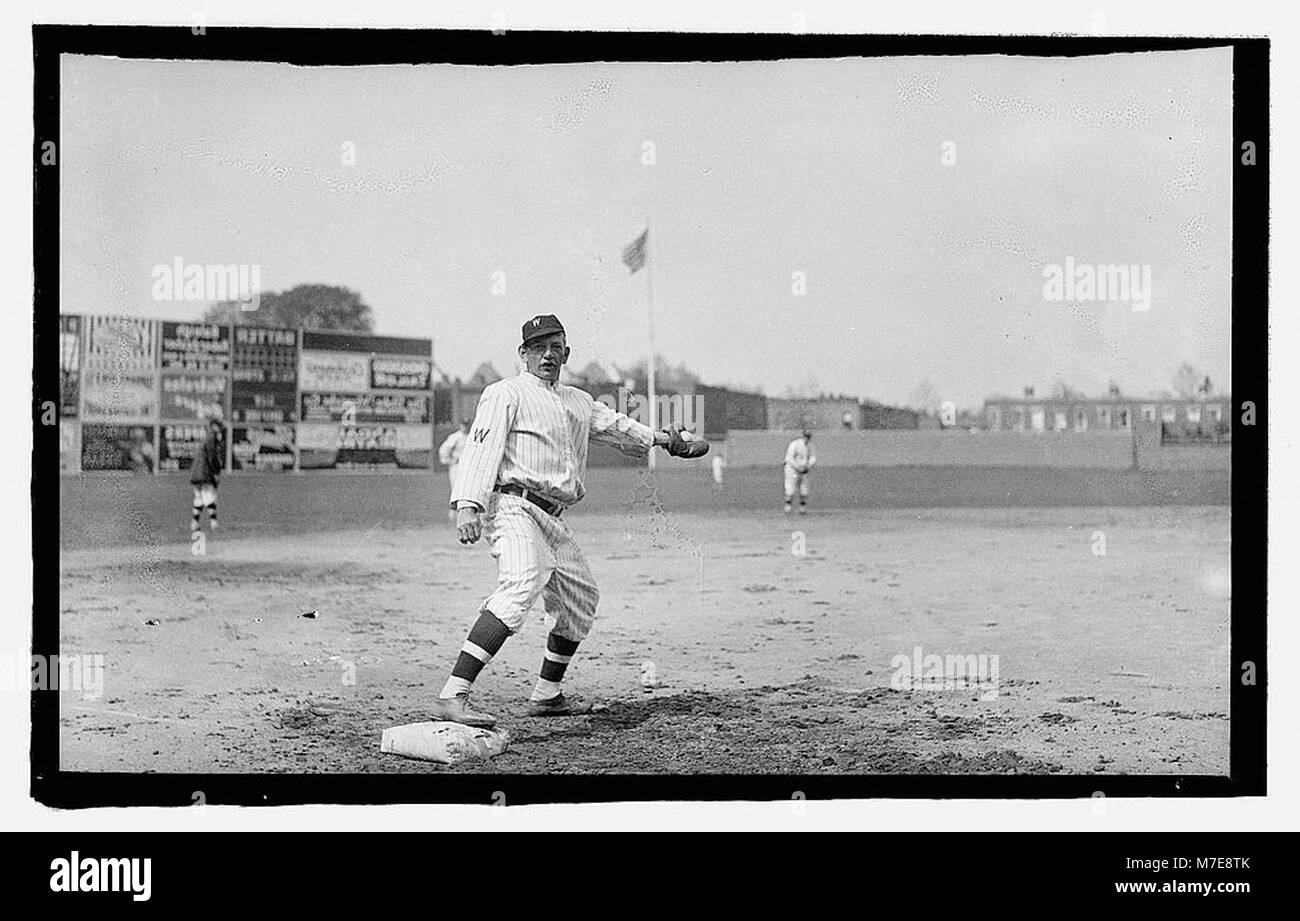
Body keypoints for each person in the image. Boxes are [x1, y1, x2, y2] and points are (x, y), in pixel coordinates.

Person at [430, 314, 708, 727]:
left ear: (566, 353)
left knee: (580, 601)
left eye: (555, 346)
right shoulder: (505, 393)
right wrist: (468, 503)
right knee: (523, 580)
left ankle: (547, 694)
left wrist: (667, 440)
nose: (547, 353)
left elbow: (619, 427)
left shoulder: (578, 401)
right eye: (538, 346)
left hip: (554, 518)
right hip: (514, 506)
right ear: (523, 354)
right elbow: (481, 445)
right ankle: (454, 694)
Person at [190, 418, 224, 532]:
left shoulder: (206, 438)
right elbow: (212, 457)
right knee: (209, 497)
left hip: (195, 474)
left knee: (199, 499)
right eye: (218, 426)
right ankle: (214, 524)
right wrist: (215, 472)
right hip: (205, 473)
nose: (220, 429)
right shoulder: (211, 438)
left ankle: (195, 523)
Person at [437, 419, 472, 522]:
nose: (465, 427)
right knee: (456, 489)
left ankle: (465, 513)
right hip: (457, 466)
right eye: (463, 425)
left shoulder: (471, 436)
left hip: (468, 466)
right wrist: (449, 460)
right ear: (460, 425)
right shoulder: (455, 437)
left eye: (467, 425)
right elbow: (443, 450)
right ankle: (452, 513)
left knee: (467, 490)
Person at [784, 429, 816, 514]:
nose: (807, 438)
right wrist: (798, 467)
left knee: (804, 488)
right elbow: (789, 458)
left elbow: (813, 458)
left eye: (808, 437)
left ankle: (802, 507)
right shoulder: (795, 444)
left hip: (803, 469)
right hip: (792, 469)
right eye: (806, 436)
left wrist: (808, 466)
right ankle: (788, 506)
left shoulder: (810, 446)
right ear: (803, 436)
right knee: (790, 488)